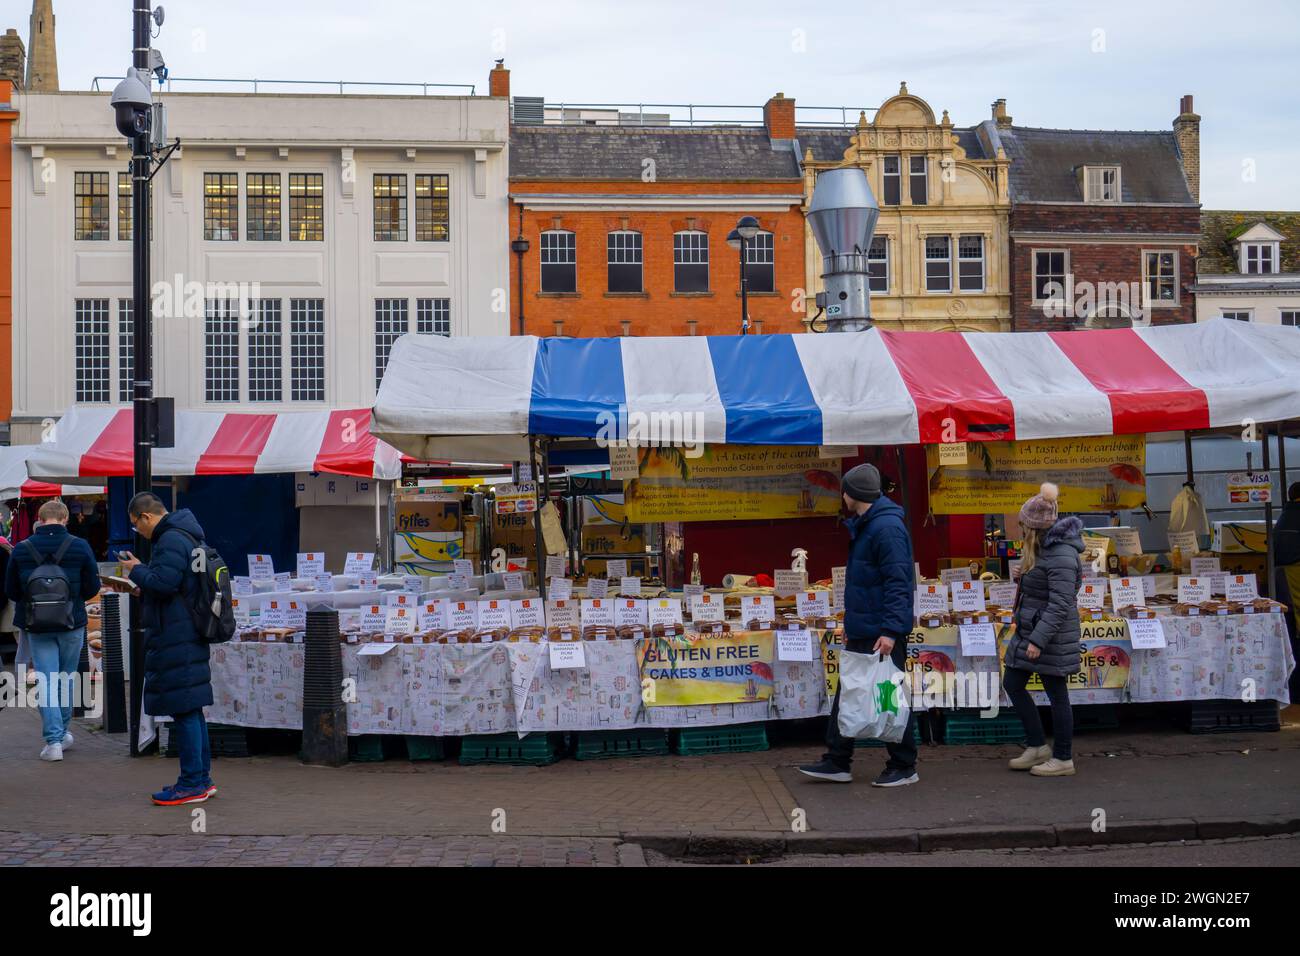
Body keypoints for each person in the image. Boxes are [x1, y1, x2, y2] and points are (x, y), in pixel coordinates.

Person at [799, 463, 919, 787]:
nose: (842, 495)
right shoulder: (870, 524)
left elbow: (898, 582)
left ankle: (904, 764)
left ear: (853, 494)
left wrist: (891, 631)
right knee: (850, 692)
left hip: (881, 631)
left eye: (845, 490)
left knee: (887, 695)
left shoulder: (886, 528)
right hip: (867, 626)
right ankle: (838, 760)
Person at [119, 493, 216, 807]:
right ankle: (201, 779)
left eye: (136, 526)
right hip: (186, 631)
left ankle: (191, 784)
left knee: (185, 710)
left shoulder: (171, 539)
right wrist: (140, 586)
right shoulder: (186, 535)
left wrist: (136, 570)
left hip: (178, 634)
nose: (139, 532)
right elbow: (172, 586)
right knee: (191, 709)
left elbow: (164, 583)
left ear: (146, 517)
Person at [4, 500, 101, 761]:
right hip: (72, 623)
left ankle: (54, 741)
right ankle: (63, 733)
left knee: (46, 679)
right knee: (67, 678)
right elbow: (92, 588)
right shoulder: (79, 546)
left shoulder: (22, 549)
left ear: (39, 519)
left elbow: (11, 590)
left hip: (36, 624)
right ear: (66, 519)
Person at [1003, 483, 1083, 777]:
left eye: (1023, 524)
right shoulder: (1041, 548)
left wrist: (1038, 639)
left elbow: (1061, 602)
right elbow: (1042, 589)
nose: (1020, 529)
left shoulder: (1061, 552)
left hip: (1050, 634)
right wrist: (1022, 577)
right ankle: (1037, 745)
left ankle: (1063, 758)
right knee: (1012, 683)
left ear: (1034, 527)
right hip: (1032, 627)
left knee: (1056, 694)